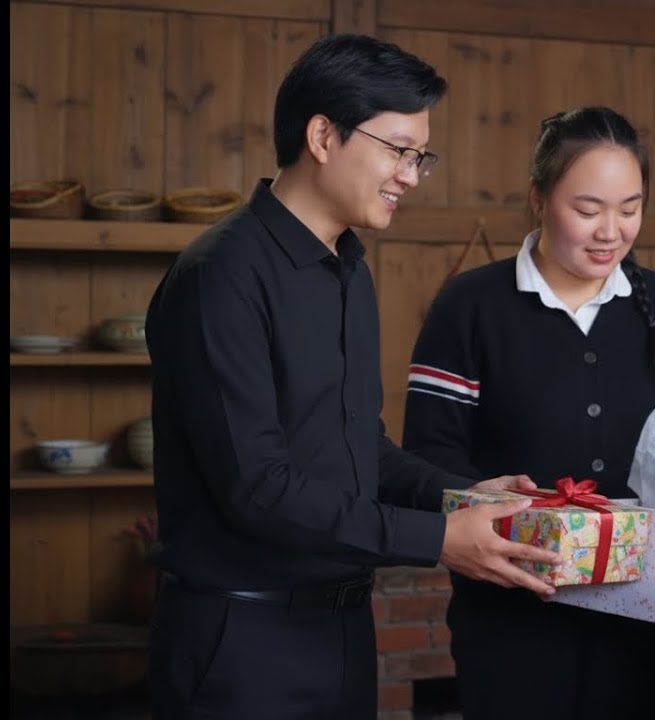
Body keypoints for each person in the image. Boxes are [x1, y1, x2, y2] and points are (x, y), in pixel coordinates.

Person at [144, 34, 561, 720]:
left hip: (341, 632)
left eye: (420, 157)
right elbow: (257, 488)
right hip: (240, 643)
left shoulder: (348, 271)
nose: (411, 175)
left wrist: (459, 496)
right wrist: (438, 540)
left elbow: (357, 447)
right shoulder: (220, 276)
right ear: (322, 136)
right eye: (399, 150)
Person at [402, 105, 655, 720]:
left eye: (629, 209)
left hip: (640, 616)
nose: (611, 231)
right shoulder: (470, 307)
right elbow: (429, 455)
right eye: (587, 210)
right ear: (538, 198)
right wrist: (494, 511)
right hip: (509, 613)